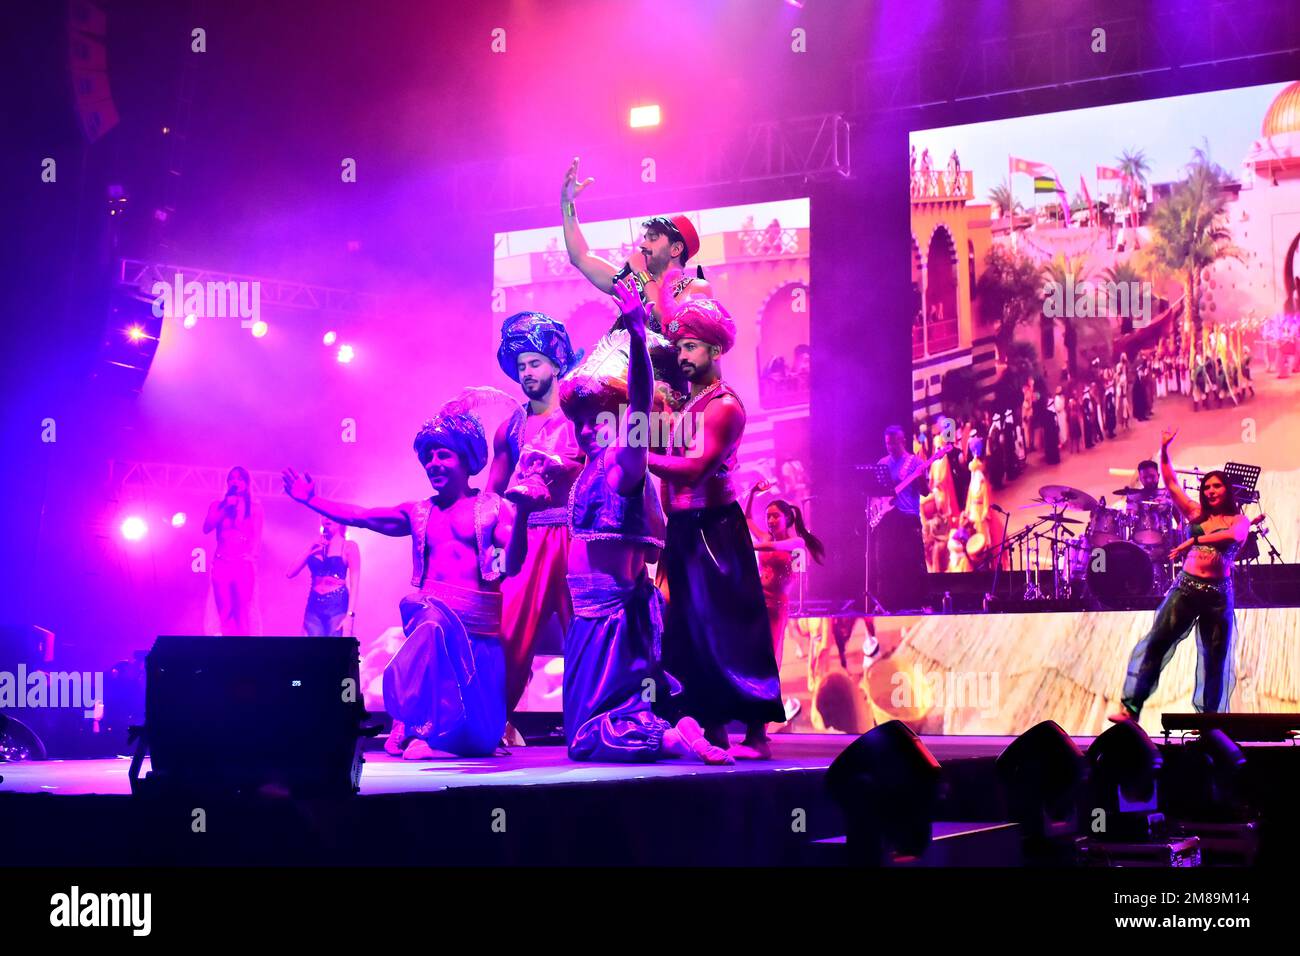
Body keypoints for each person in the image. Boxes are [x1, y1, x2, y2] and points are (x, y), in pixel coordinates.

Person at [282, 399, 534, 758]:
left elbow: (517, 560)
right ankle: (413, 724)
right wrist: (312, 500)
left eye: (443, 455)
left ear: (466, 460)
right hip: (431, 614)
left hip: (478, 628)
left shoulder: (494, 509)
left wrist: (522, 514)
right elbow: (362, 516)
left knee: (479, 740)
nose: (433, 463)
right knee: (430, 626)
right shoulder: (418, 513)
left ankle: (444, 732)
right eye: (428, 457)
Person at [558, 276, 731, 765]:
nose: (586, 429)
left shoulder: (623, 463)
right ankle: (677, 728)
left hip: (610, 621)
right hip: (589, 619)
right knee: (582, 736)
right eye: (580, 421)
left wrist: (636, 332)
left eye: (596, 418)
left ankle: (669, 737)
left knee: (590, 738)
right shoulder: (590, 468)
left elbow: (638, 404)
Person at [648, 292, 785, 758]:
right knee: (689, 629)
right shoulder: (691, 404)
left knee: (730, 625)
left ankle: (757, 734)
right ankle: (713, 730)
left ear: (715, 350)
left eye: (690, 347)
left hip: (715, 531)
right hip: (685, 529)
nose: (682, 356)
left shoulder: (723, 406)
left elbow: (694, 468)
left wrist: (638, 457)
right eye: (679, 348)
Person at [1111, 429, 1249, 721]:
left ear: (1226, 490)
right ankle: (1131, 706)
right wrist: (1163, 450)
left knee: (1215, 660)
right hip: (1186, 589)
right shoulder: (1195, 513)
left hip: (1218, 596)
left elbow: (1232, 535)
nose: (1210, 491)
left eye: (1216, 486)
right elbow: (1172, 483)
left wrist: (1194, 541)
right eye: (1207, 487)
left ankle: (1209, 722)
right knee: (1158, 641)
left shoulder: (1239, 520)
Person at [489, 311, 583, 714]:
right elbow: (494, 491)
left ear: (556, 363)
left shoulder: (583, 411)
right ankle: (491, 722)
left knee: (585, 633)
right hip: (526, 539)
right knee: (507, 631)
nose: (526, 372)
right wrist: (491, 538)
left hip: (578, 534)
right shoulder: (509, 427)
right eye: (521, 365)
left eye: (535, 363)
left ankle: (589, 724)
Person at [745, 484, 825, 672]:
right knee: (751, 645)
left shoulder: (797, 542)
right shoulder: (765, 537)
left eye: (775, 516)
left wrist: (749, 546)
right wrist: (752, 493)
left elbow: (773, 548)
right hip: (757, 599)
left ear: (787, 518)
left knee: (770, 652)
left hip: (776, 605)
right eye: (768, 517)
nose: (771, 520)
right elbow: (747, 519)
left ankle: (768, 691)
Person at [871, 425, 930, 604]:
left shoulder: (915, 463)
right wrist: (876, 506)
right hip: (888, 519)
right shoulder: (882, 463)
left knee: (913, 562)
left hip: (908, 518)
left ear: (902, 441)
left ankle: (920, 603)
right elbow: (876, 492)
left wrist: (920, 478)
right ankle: (889, 603)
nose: (890, 447)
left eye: (893, 444)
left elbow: (926, 492)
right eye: (887, 444)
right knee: (886, 563)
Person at [203, 466, 263, 635]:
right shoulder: (217, 505)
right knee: (225, 612)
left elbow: (257, 537)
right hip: (221, 563)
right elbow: (207, 527)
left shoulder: (255, 508)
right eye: (231, 478)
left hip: (242, 564)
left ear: (246, 483)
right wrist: (226, 509)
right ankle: (226, 652)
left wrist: (252, 556)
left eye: (239, 478)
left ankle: (242, 653)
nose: (235, 481)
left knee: (242, 613)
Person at [286, 517, 360, 636]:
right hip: (314, 605)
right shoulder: (316, 546)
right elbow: (290, 573)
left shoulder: (349, 546)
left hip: (337, 605)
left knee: (334, 651)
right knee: (313, 652)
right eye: (323, 516)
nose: (327, 519)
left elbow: (354, 584)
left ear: (340, 520)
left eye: (331, 516)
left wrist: (349, 616)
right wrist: (310, 548)